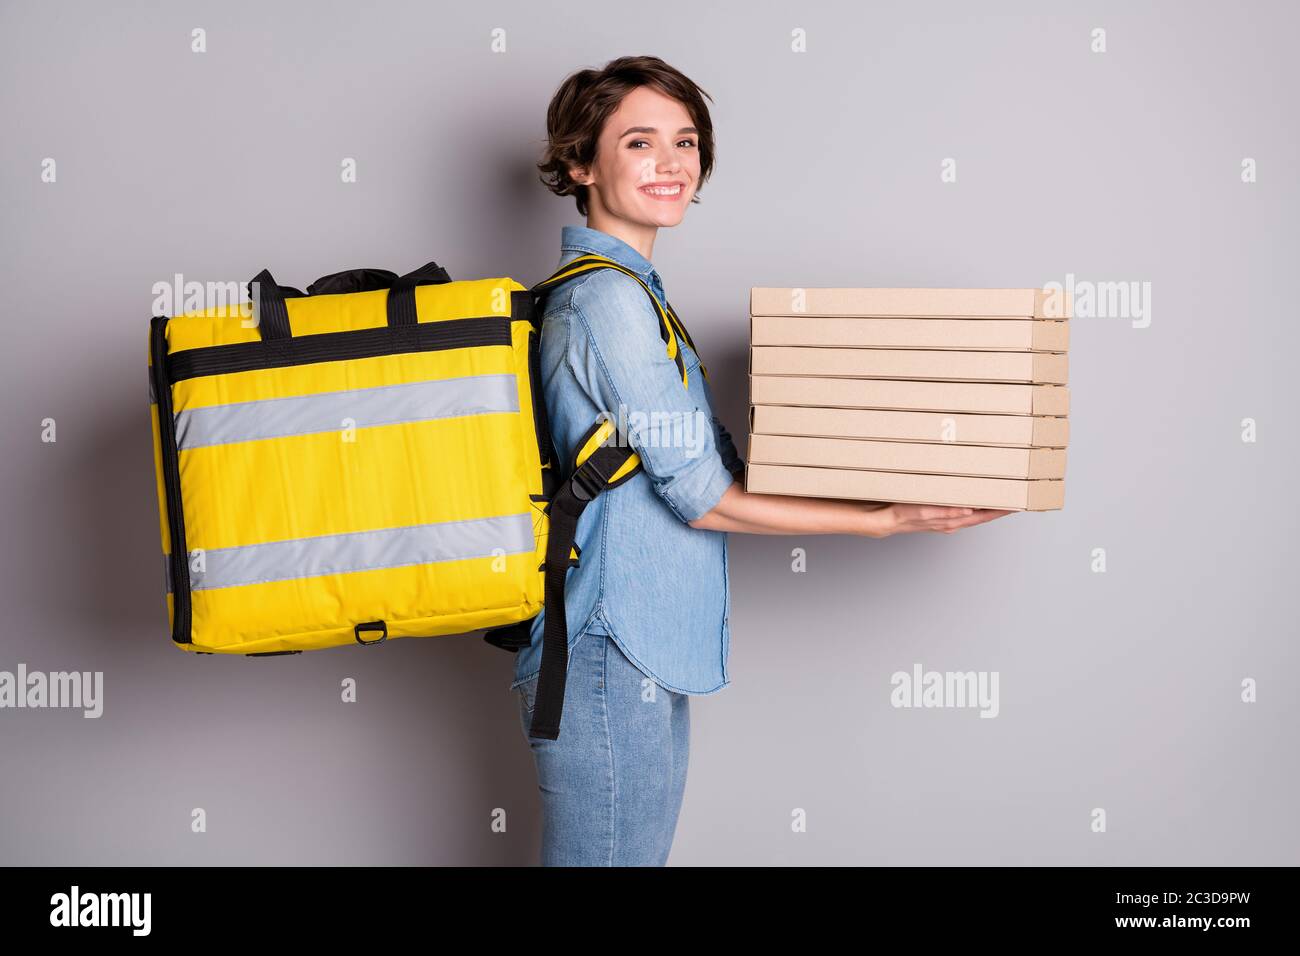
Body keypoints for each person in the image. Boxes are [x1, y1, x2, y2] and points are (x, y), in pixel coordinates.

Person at [513, 54, 1012, 866]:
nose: (671, 163)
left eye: (685, 141)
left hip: (633, 642)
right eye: (640, 142)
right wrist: (882, 521)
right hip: (607, 645)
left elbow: (700, 472)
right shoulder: (606, 299)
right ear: (579, 162)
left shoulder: (634, 291)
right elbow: (704, 498)